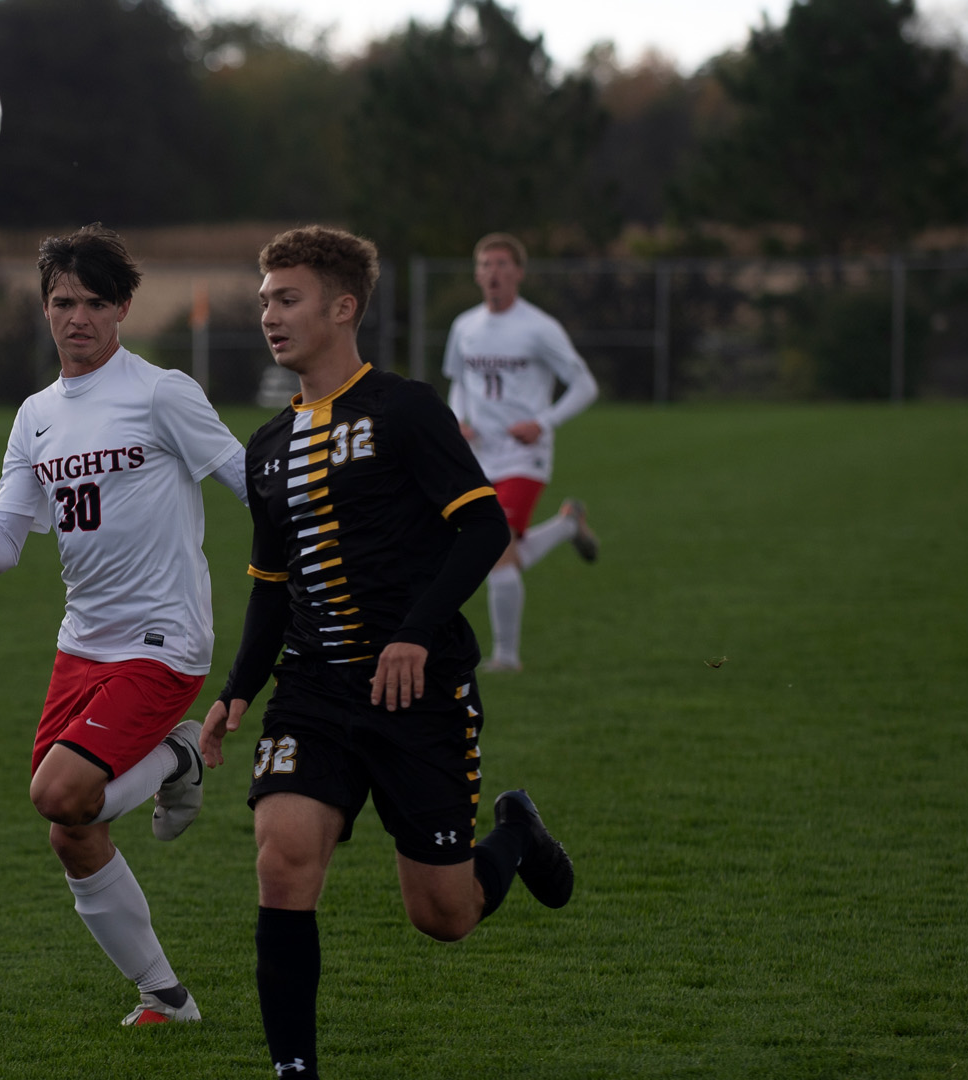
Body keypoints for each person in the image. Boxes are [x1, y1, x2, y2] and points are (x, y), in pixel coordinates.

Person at [200, 226, 575, 1078]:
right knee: (283, 856)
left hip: (419, 691)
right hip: (315, 690)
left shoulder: (405, 410)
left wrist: (412, 631)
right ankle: (293, 1069)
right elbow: (269, 585)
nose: (269, 314)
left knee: (443, 915)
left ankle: (514, 831)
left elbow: (482, 527)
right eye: (263, 300)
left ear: (343, 307)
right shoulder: (265, 449)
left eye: (286, 298)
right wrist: (236, 691)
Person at [0, 224, 248, 1027]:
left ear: (123, 309)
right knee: (71, 830)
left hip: (164, 639)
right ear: (44, 310)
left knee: (61, 792)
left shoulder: (161, 392)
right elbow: (4, 548)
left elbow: (251, 482)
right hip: (83, 646)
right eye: (62, 301)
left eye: (94, 302)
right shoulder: (36, 415)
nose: (77, 317)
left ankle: (179, 754)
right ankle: (166, 997)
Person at [442, 232, 601, 672]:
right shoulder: (465, 326)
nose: (493, 273)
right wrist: (457, 420)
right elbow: (459, 383)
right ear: (476, 274)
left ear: (518, 273)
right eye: (485, 265)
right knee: (498, 547)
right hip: (478, 456)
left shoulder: (539, 327)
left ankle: (507, 658)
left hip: (523, 458)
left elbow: (586, 384)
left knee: (494, 547)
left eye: (501, 264)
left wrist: (543, 423)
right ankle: (568, 525)